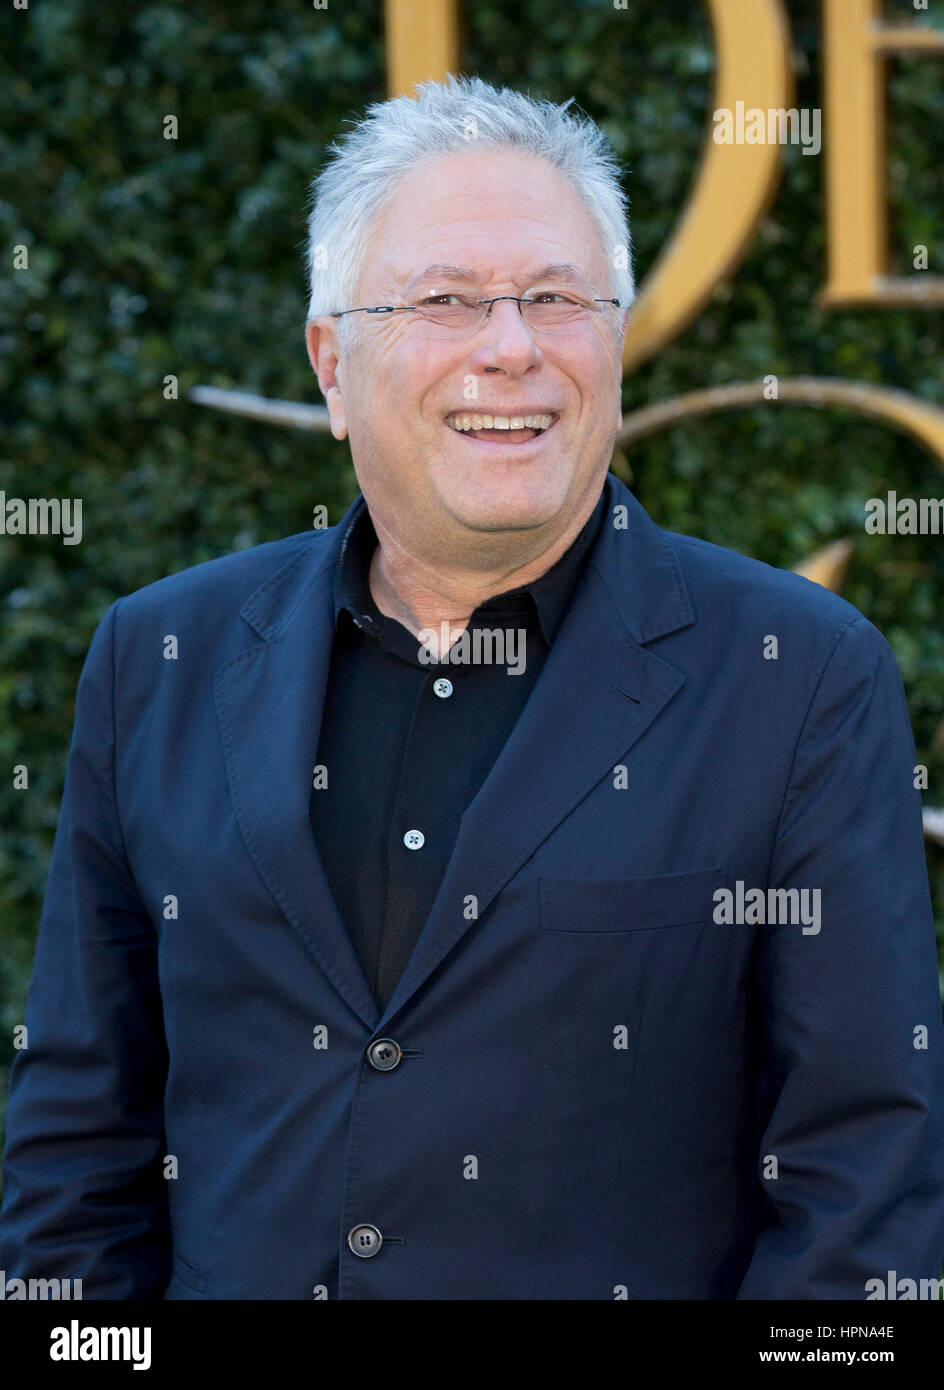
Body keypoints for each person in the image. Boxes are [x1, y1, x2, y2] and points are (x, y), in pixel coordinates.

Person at [1, 73, 942, 1301]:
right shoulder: (156, 658)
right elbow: (77, 1142)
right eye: (445, 299)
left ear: (611, 340)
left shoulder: (798, 676)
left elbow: (860, 1177)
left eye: (556, 298)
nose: (511, 349)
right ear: (331, 366)